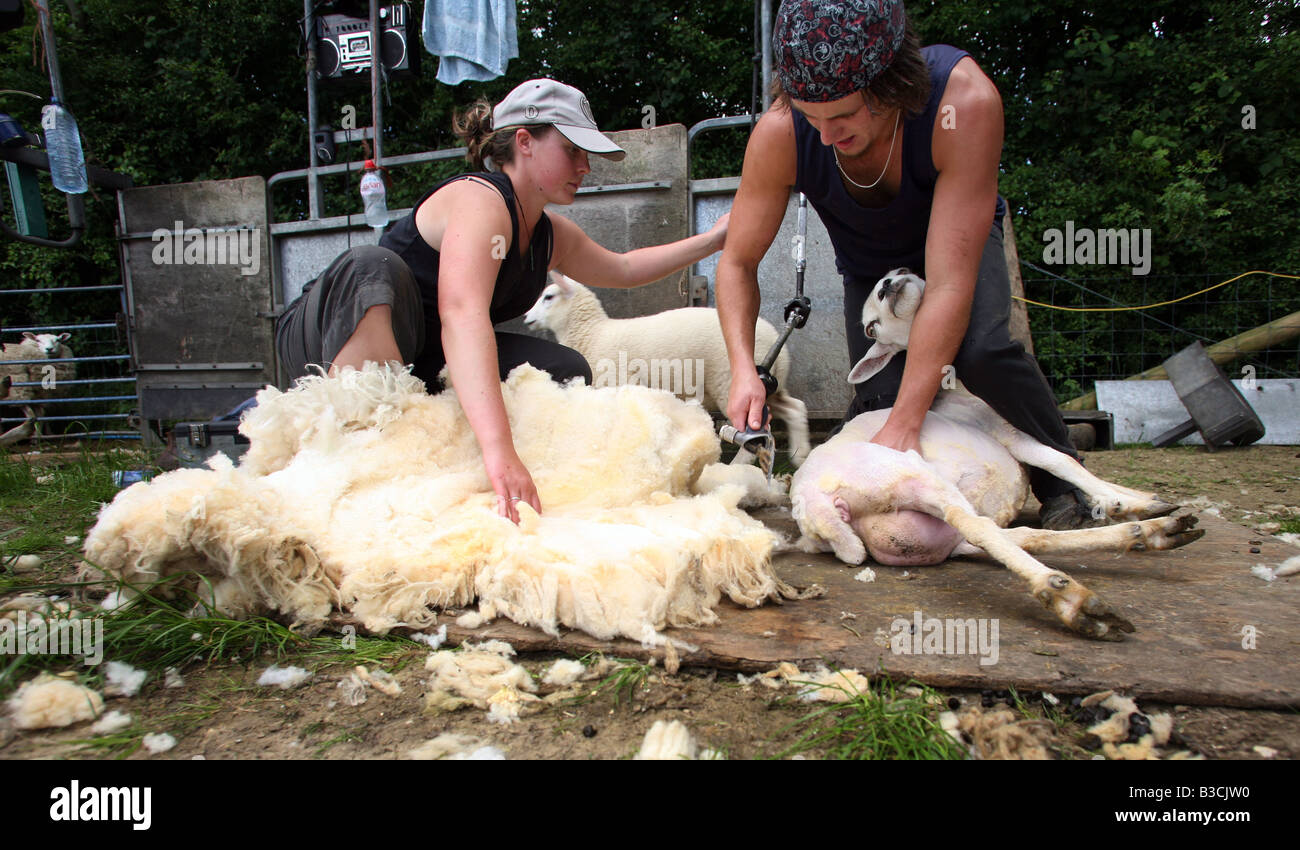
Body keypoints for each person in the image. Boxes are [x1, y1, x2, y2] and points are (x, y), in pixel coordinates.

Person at [716, 0, 1099, 530]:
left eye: (844, 115)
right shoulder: (780, 135)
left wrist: (905, 424)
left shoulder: (963, 102)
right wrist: (742, 368)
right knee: (881, 395)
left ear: (892, 83)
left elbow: (947, 286)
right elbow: (737, 262)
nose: (827, 136)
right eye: (811, 118)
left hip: (956, 248)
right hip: (871, 267)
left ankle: (1068, 481)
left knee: (980, 354)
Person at [277, 79, 728, 524]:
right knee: (371, 265)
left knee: (567, 370)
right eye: (572, 149)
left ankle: (489, 488)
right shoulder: (482, 199)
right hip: (332, 331)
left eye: (586, 153)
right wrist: (500, 451)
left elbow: (625, 269)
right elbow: (461, 314)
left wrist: (713, 240)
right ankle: (360, 456)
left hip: (425, 354)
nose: (585, 165)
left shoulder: (549, 234)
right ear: (525, 142)